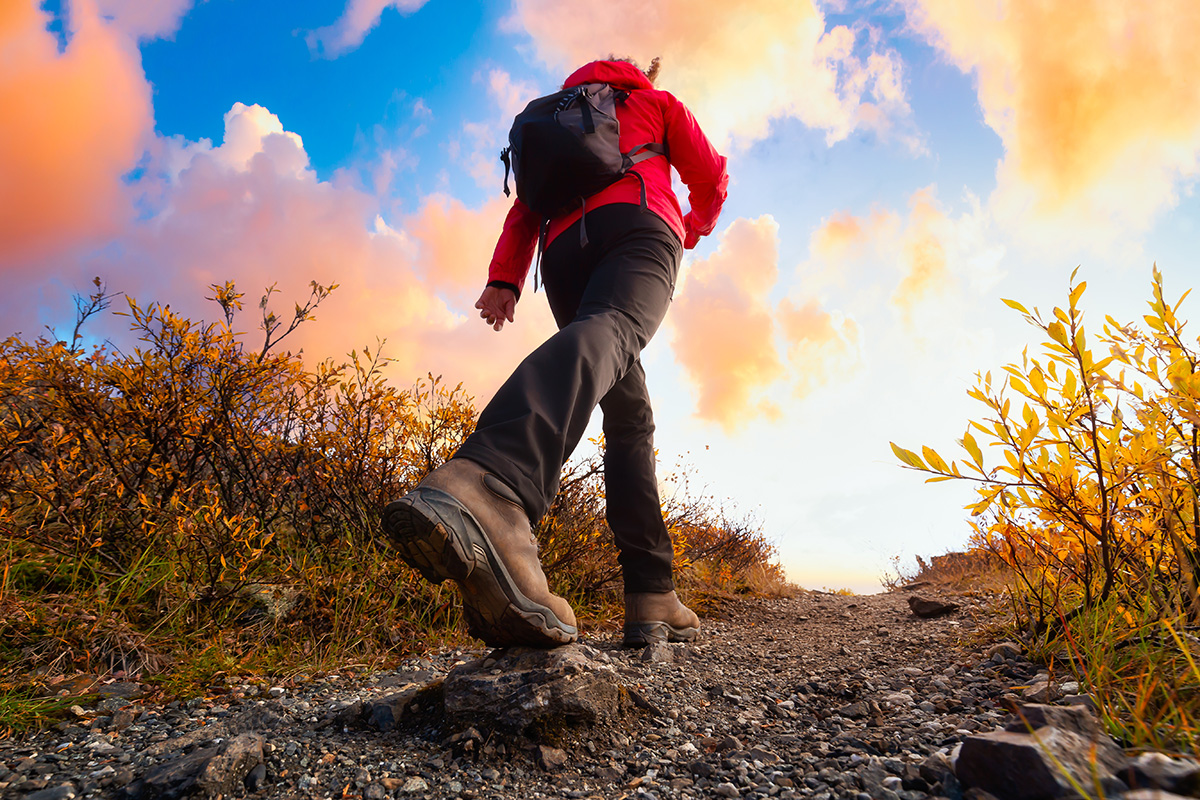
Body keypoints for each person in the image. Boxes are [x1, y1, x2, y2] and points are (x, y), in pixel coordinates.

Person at [382, 56, 728, 648]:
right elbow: (710, 173)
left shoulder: (559, 122)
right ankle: (492, 482)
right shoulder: (653, 102)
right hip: (638, 224)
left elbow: (524, 210)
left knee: (628, 418)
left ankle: (651, 592)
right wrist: (690, 226)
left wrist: (504, 280)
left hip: (563, 253)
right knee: (616, 327)